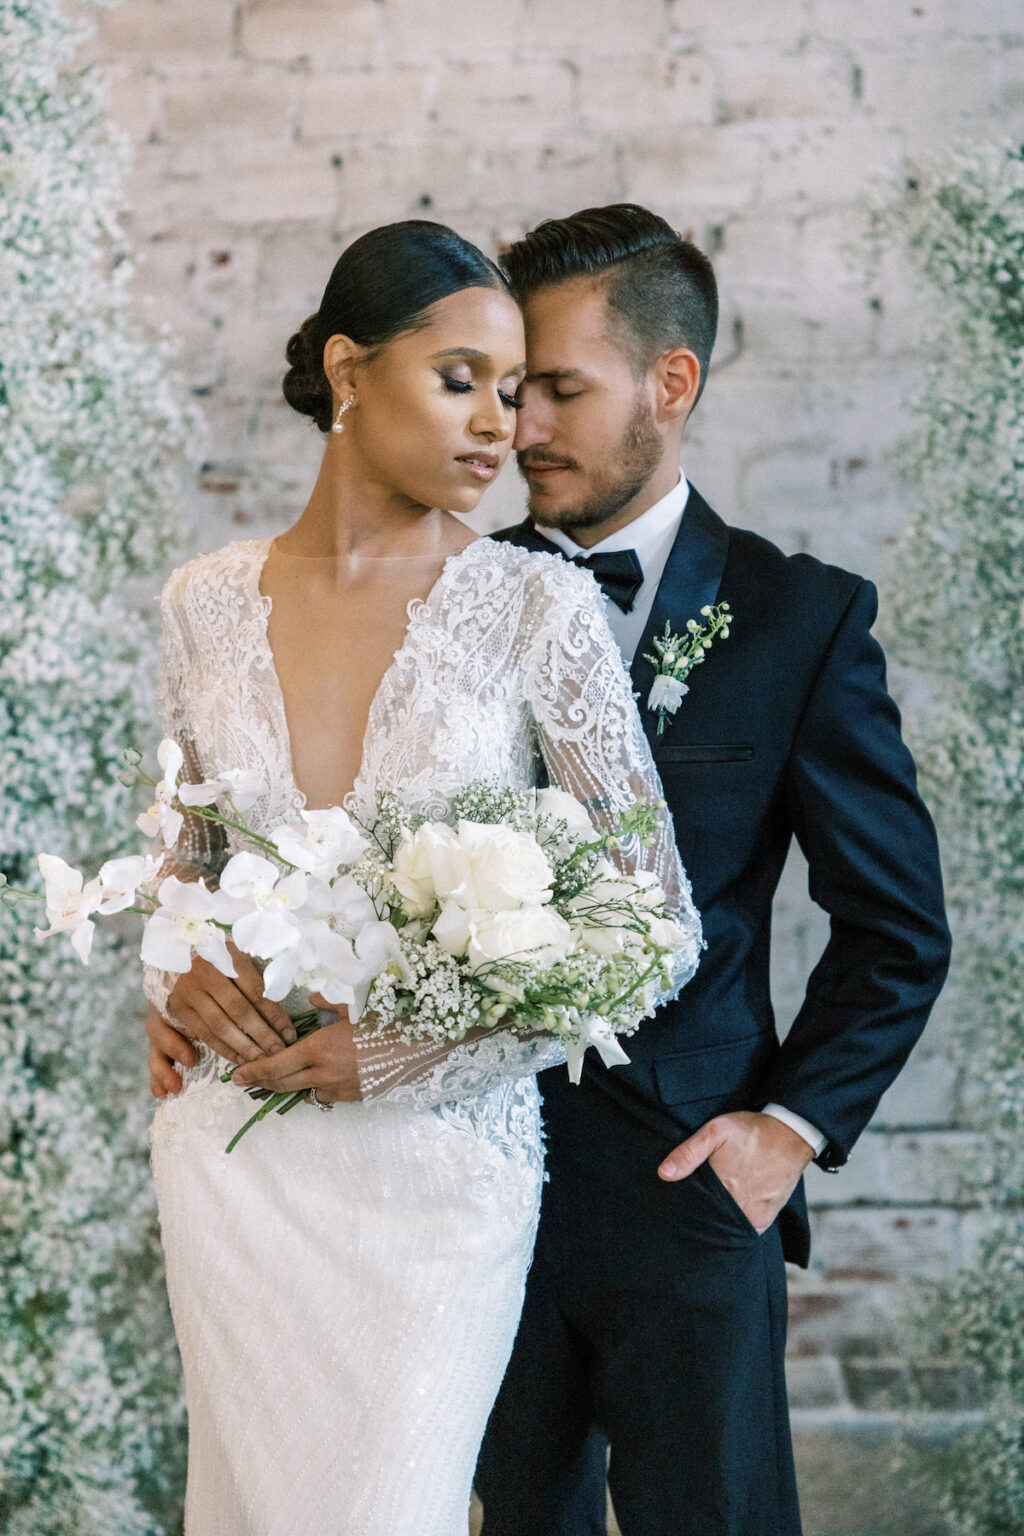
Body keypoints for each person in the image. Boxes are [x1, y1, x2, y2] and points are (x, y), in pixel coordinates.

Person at [140, 218, 700, 1536]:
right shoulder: (202, 602)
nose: (501, 424)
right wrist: (170, 980)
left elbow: (659, 924)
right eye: (462, 381)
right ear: (349, 372)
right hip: (231, 1153)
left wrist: (413, 1050)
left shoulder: (538, 608)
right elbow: (190, 853)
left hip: (438, 1179)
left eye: (515, 390)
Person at [470, 205, 952, 1536]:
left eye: (559, 390)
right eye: (509, 393)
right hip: (475, 1184)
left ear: (669, 382)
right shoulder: (448, 598)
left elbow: (898, 928)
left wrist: (786, 1132)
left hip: (694, 1189)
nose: (520, 429)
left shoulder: (802, 619)